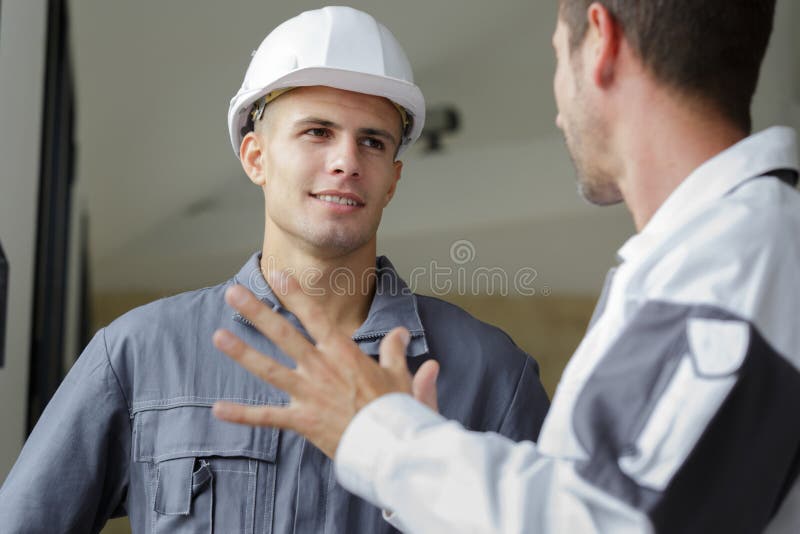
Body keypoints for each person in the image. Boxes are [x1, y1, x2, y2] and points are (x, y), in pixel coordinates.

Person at [211, 1, 800, 532]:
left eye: (555, 58)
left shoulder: (728, 269)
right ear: (255, 156)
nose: (558, 111)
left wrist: (383, 437)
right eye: (316, 131)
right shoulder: (717, 259)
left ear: (600, 41)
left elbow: (606, 522)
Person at [0, 7, 551, 533]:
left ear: (393, 178)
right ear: (255, 157)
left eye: (372, 141)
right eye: (317, 131)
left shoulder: (493, 375)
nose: (346, 161)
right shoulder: (137, 356)